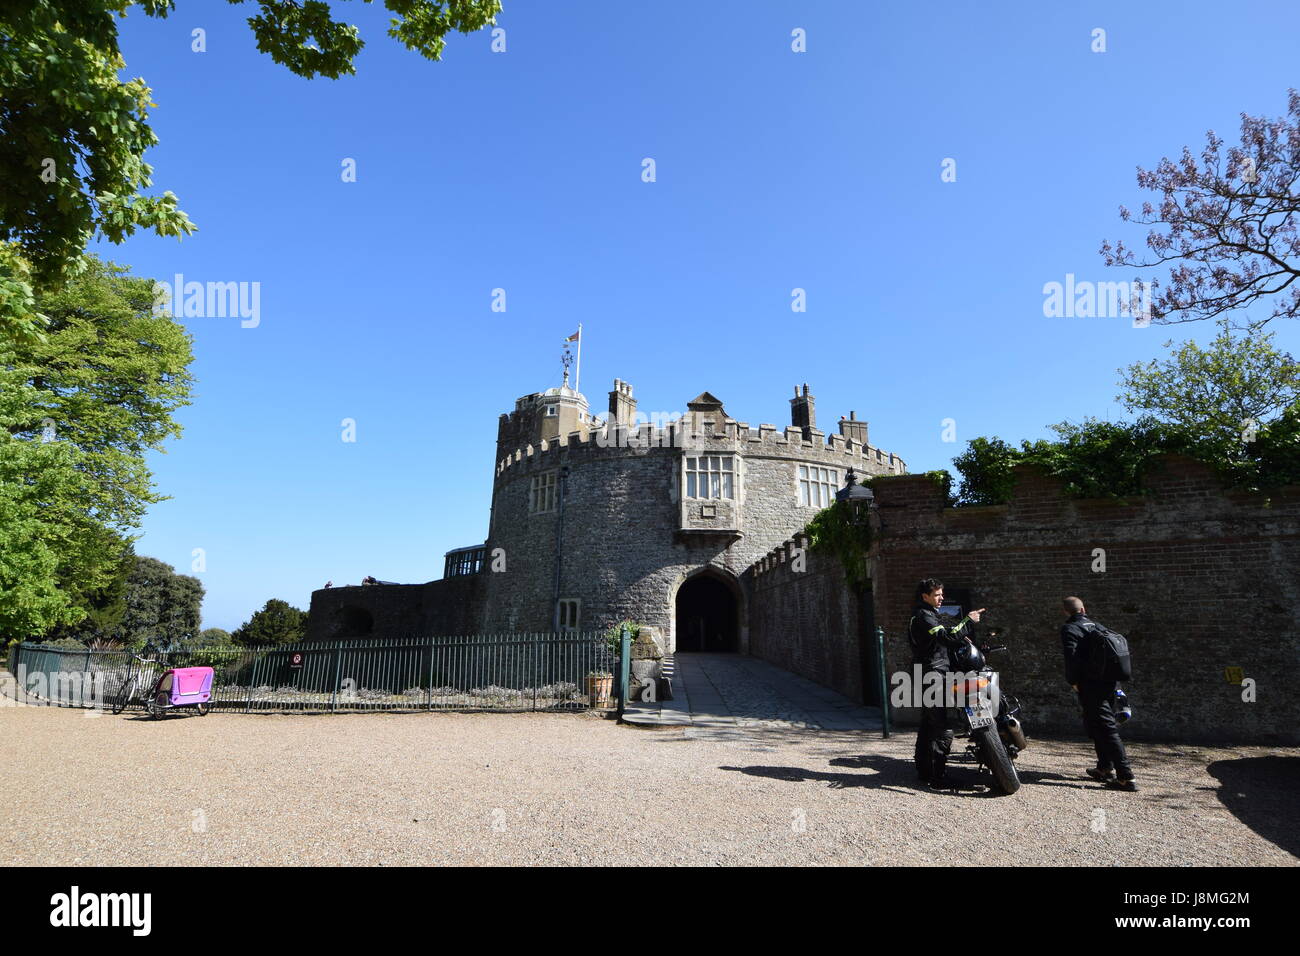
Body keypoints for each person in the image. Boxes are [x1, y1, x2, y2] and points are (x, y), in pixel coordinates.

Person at [908, 578, 985, 788]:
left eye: (942, 594)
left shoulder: (928, 614)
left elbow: (946, 633)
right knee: (942, 728)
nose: (941, 598)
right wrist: (968, 621)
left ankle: (925, 771)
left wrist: (961, 637)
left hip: (928, 673)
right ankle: (939, 777)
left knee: (928, 724)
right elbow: (946, 637)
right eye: (936, 595)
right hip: (932, 675)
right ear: (925, 596)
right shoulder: (923, 616)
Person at [1060, 596, 1137, 791]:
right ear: (1083, 609)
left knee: (1107, 729)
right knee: (1096, 725)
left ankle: (1126, 777)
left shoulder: (1070, 629)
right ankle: (1104, 767)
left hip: (1090, 685)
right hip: (1109, 683)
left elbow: (1072, 658)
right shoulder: (1097, 626)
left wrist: (1074, 682)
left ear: (1065, 612)